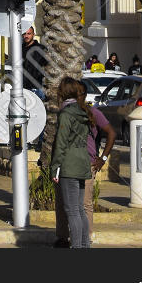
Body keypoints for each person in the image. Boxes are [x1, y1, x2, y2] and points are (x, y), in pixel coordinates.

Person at [55, 80, 116, 247]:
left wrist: (103, 159)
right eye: (76, 94)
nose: (78, 97)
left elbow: (111, 133)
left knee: (82, 206)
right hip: (71, 164)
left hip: (85, 164)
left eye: (81, 94)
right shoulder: (69, 112)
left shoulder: (91, 113)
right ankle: (64, 237)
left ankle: (84, 240)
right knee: (64, 204)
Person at [49, 77, 95, 249]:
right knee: (80, 209)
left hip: (69, 164)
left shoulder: (66, 114)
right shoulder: (83, 111)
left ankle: (76, 246)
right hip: (83, 161)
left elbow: (61, 143)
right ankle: (84, 245)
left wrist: (54, 168)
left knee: (72, 210)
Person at [21, 25, 48, 99]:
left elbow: (48, 66)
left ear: (33, 34)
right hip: (23, 88)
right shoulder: (19, 49)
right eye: (24, 34)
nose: (26, 36)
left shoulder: (40, 49)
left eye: (29, 34)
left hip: (37, 88)